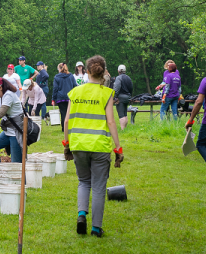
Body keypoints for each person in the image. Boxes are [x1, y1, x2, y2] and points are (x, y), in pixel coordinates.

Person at [62, 55, 123, 238]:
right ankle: (96, 228)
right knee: (98, 186)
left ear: (87, 71)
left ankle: (81, 215)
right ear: (104, 72)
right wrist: (118, 148)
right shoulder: (107, 93)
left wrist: (66, 144)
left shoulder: (75, 92)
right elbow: (111, 122)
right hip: (99, 146)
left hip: (79, 144)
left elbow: (66, 121)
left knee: (83, 182)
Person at [52, 63, 77, 132]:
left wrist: (53, 98)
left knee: (63, 113)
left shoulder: (57, 77)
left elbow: (55, 88)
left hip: (60, 97)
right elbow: (75, 85)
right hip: (70, 97)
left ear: (59, 69)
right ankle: (70, 127)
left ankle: (64, 128)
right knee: (70, 113)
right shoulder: (71, 76)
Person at [112, 65, 133, 130]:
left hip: (120, 98)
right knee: (125, 114)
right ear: (125, 70)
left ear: (118, 71)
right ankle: (125, 129)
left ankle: (122, 130)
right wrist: (129, 96)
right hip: (127, 97)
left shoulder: (118, 78)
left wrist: (114, 97)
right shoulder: (128, 78)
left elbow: (117, 88)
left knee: (121, 115)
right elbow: (131, 88)